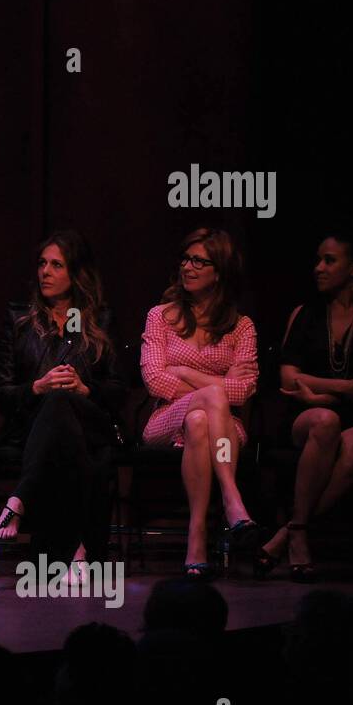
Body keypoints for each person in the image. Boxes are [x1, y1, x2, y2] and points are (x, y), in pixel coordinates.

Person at [258, 234, 353, 582]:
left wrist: (323, 387)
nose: (318, 268)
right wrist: (345, 388)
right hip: (308, 414)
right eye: (318, 260)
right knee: (326, 421)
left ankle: (291, 531)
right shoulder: (306, 314)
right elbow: (290, 377)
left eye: (329, 260)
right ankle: (297, 538)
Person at [0, 231, 126, 567]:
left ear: (76, 273)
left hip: (90, 422)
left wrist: (85, 389)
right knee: (56, 404)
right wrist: (38, 387)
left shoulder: (101, 320)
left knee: (64, 401)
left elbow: (120, 391)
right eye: (42, 264)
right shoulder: (20, 319)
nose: (45, 272)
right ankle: (79, 552)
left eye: (56, 265)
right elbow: (0, 394)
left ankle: (19, 499)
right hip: (33, 428)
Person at [140, 227, 258, 581]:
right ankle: (231, 499)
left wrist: (185, 371)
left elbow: (245, 389)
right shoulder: (160, 316)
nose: (187, 267)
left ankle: (197, 536)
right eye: (185, 259)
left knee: (201, 421)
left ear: (219, 271)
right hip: (165, 419)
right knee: (211, 399)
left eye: (198, 261)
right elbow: (154, 379)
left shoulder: (241, 326)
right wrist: (211, 389)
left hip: (223, 426)